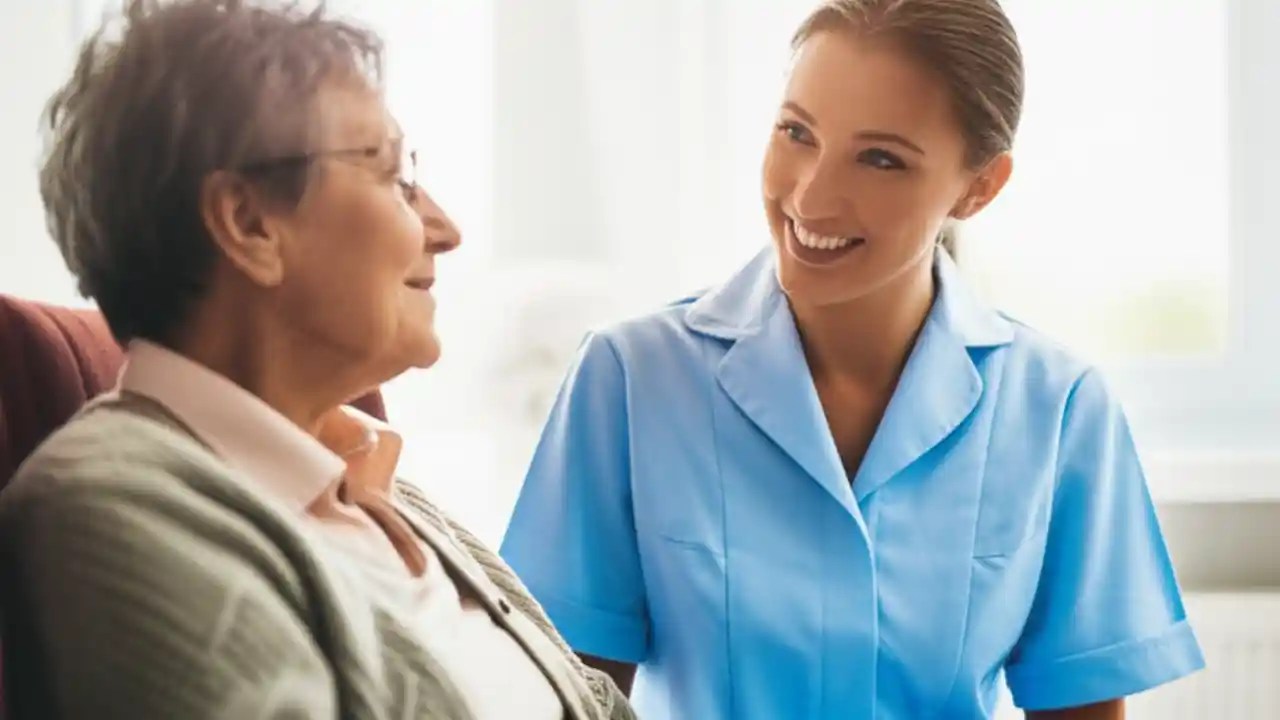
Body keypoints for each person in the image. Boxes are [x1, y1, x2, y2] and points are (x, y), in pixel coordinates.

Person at [499, 1, 1205, 718]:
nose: (811, 196)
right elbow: (567, 697)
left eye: (880, 159)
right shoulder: (630, 378)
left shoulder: (1059, 407)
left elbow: (1080, 708)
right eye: (796, 133)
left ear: (979, 186)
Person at [0, 2, 634, 719]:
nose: (446, 230)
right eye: (395, 177)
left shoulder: (372, 481)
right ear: (248, 224)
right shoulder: (112, 512)